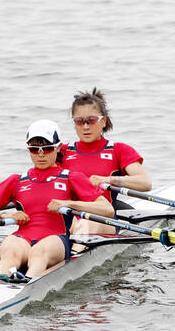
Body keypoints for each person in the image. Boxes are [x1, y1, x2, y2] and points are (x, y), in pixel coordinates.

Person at [0, 119, 114, 281]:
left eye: (47, 148)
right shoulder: (16, 181)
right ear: (28, 149)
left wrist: (69, 203)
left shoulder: (71, 178)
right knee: (9, 248)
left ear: (58, 148)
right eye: (34, 149)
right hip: (23, 238)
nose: (40, 154)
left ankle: (27, 284)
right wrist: (4, 216)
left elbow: (107, 210)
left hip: (56, 239)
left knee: (39, 252)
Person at [62, 88, 150, 235]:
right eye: (79, 121)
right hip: (68, 219)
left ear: (103, 121)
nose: (85, 126)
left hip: (103, 220)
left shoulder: (118, 150)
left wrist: (107, 180)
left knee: (85, 223)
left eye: (91, 120)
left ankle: (75, 254)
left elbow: (144, 183)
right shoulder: (62, 152)